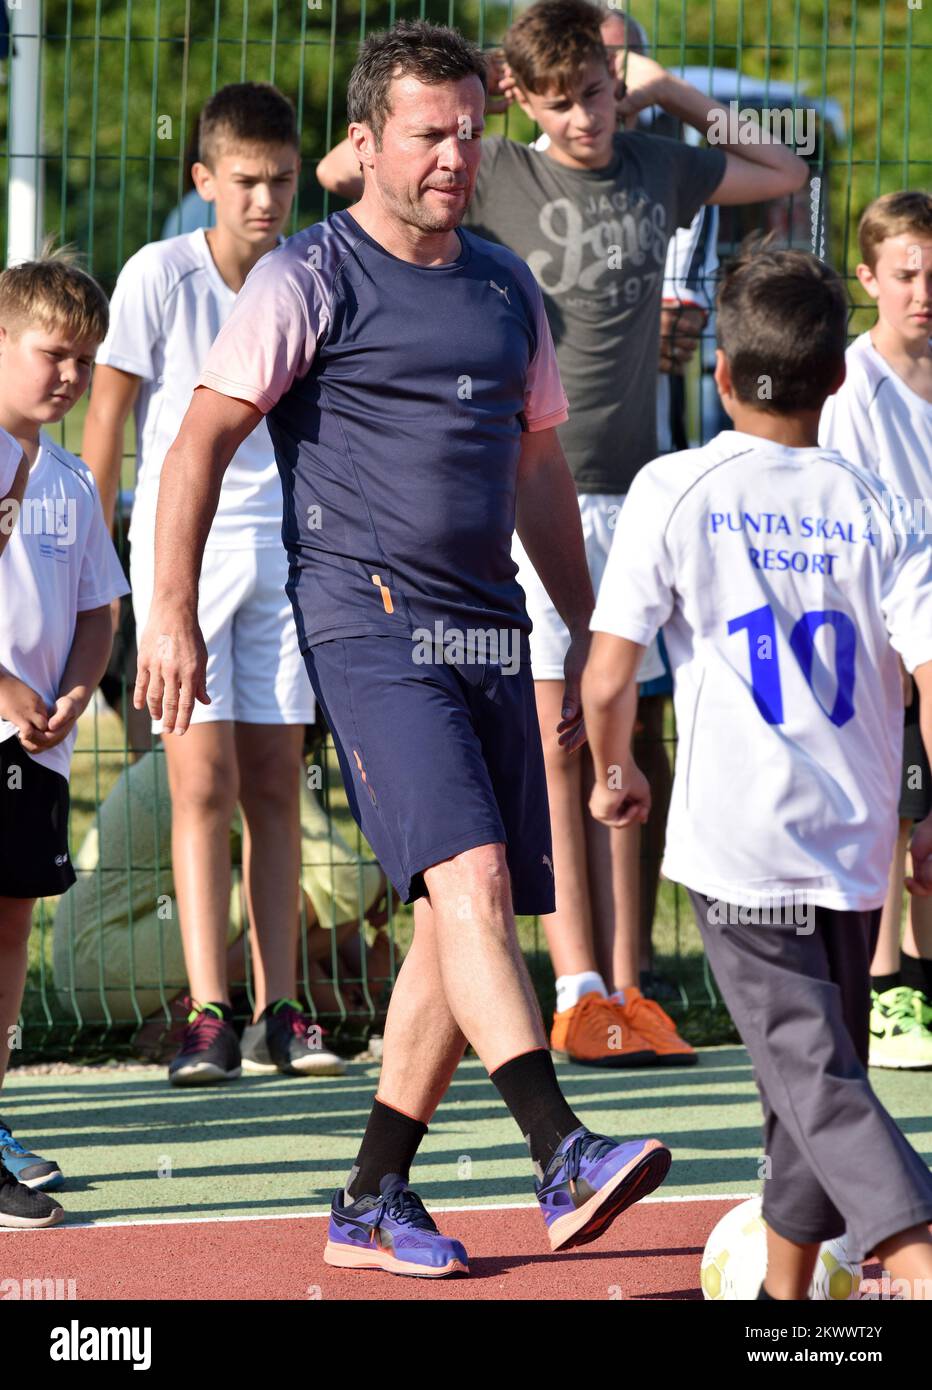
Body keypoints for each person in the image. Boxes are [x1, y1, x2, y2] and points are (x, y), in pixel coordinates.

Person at [134, 19, 675, 1280]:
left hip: (490, 624)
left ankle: (370, 1195)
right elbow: (197, 444)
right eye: (427, 135)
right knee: (473, 883)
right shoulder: (306, 276)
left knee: (449, 923)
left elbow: (538, 467)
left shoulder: (500, 283)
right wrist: (167, 609)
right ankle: (558, 1147)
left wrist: (595, 635)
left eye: (467, 133)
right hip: (366, 624)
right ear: (364, 144)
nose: (452, 155)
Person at [316, 0, 808, 1066]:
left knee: (618, 736)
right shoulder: (491, 171)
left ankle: (630, 984)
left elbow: (782, 175)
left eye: (594, 93)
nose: (583, 117)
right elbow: (333, 178)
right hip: (531, 483)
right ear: (520, 102)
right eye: (557, 101)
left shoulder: (650, 161)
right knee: (553, 738)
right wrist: (465, 102)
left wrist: (666, 89)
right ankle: (575, 982)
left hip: (634, 490)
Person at [582, 241, 932, 1300]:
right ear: (835, 380)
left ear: (721, 374)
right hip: (849, 845)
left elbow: (605, 679)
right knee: (809, 1087)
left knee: (813, 1082)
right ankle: (783, 1302)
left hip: (737, 850)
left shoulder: (674, 484)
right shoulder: (876, 502)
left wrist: (613, 773)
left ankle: (915, 1260)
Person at [82, 83, 320, 1087]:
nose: (263, 200)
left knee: (277, 788)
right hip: (183, 555)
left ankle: (284, 1010)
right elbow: (103, 434)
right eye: (243, 182)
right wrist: (96, 579)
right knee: (198, 786)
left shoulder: (312, 271)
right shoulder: (155, 276)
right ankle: (207, 1012)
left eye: (279, 182)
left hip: (287, 550)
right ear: (203, 181)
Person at [0, 249, 128, 1227]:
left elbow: (98, 609)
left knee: (11, 932)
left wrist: (78, 691)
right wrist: (5, 684)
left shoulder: (73, 479)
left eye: (84, 359)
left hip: (35, 749)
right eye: (52, 352)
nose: (71, 375)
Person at [51, 746, 394, 1073]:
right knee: (290, 892)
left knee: (292, 886)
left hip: (90, 970)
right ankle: (179, 1015)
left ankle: (360, 1001)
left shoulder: (209, 740)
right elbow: (351, 881)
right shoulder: (251, 745)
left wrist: (358, 970)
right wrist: (388, 879)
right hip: (109, 961)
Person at [820, 190, 932, 1068]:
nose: (922, 290)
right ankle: (890, 992)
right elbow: (852, 520)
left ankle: (919, 982)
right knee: (899, 813)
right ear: (868, 278)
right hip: (888, 616)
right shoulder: (853, 387)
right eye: (904, 274)